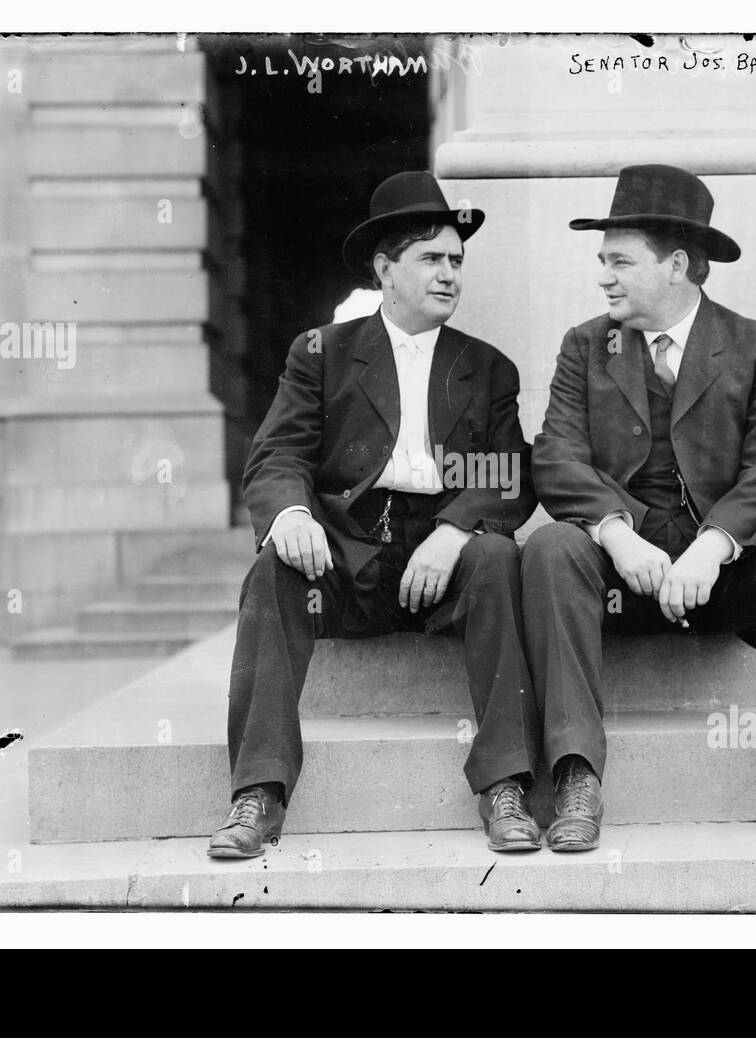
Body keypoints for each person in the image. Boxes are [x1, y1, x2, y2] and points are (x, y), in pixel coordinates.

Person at [522, 164, 756, 852]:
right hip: (619, 580)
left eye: (620, 261)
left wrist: (714, 546)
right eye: (603, 261)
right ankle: (575, 777)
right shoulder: (584, 346)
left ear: (677, 266)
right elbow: (556, 458)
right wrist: (617, 535)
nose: (604, 277)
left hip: (726, 579)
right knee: (549, 547)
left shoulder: (755, 348)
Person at [209, 171, 543, 859]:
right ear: (387, 271)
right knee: (274, 569)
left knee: (497, 556)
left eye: (456, 260)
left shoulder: (487, 369)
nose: (449, 273)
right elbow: (277, 456)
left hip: (439, 564)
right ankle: (258, 795)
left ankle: (505, 785)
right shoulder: (323, 353)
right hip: (344, 555)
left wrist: (456, 529)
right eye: (432, 259)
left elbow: (508, 472)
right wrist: (291, 516)